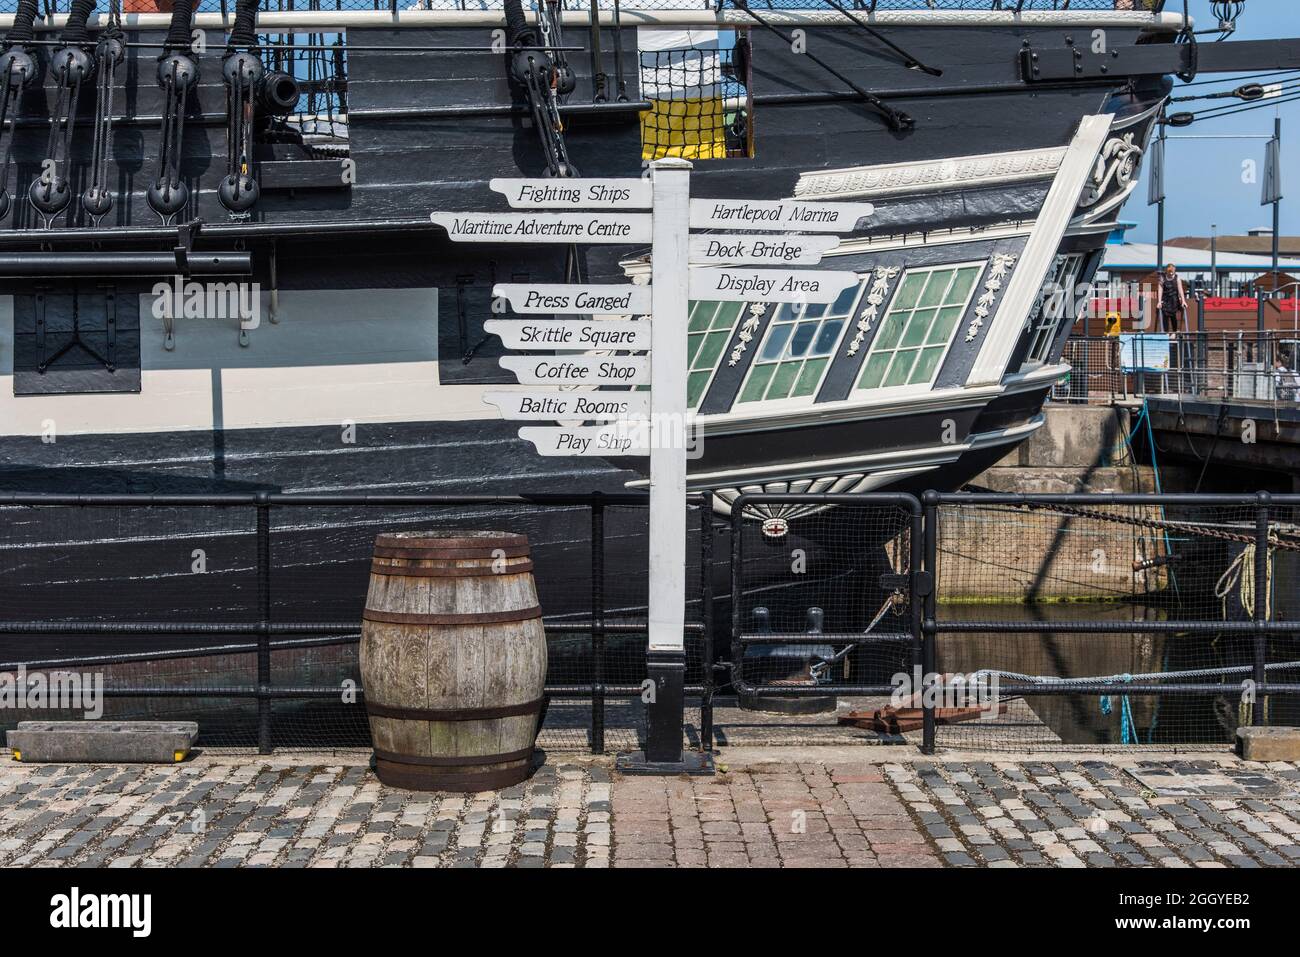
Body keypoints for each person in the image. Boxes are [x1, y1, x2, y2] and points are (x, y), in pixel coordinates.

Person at [1155, 263, 1187, 335]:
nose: (1171, 274)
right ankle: (1165, 332)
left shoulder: (1177, 279)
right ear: (1166, 271)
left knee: (1173, 316)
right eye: (1170, 272)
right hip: (1165, 299)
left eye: (1173, 272)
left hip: (1174, 299)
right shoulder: (1162, 278)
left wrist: (1183, 301)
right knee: (1165, 316)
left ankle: (1174, 332)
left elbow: (1180, 290)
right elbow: (1160, 290)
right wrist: (1159, 301)